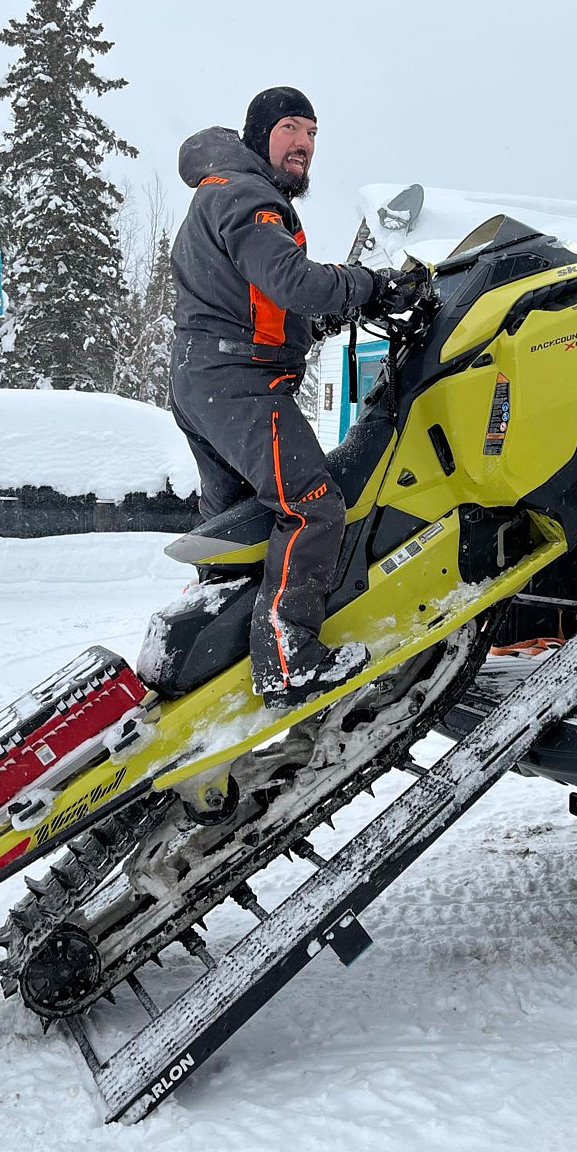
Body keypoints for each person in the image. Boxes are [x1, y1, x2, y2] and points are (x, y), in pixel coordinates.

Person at [169, 86, 425, 709]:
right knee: (312, 505)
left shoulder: (223, 191)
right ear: (259, 134)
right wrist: (374, 286)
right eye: (289, 128)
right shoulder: (248, 194)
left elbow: (259, 298)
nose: (303, 144)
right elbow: (291, 280)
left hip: (207, 379)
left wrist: (325, 317)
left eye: (311, 133)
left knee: (236, 531)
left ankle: (207, 655)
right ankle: (288, 663)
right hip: (241, 383)